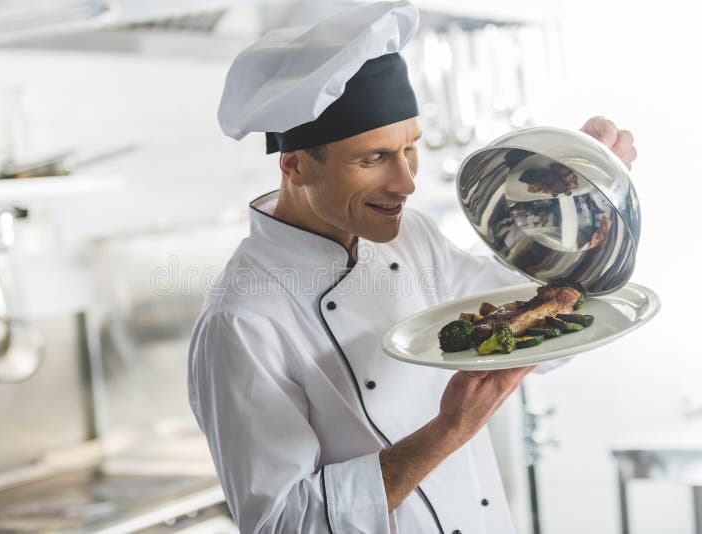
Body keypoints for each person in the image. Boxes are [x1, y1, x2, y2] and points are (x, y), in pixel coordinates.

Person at [187, 2, 637, 533]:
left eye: (410, 148)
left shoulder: (410, 238)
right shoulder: (241, 321)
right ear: (295, 164)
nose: (406, 182)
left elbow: (544, 335)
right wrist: (448, 429)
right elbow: (284, 524)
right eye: (372, 158)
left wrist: (582, 198)